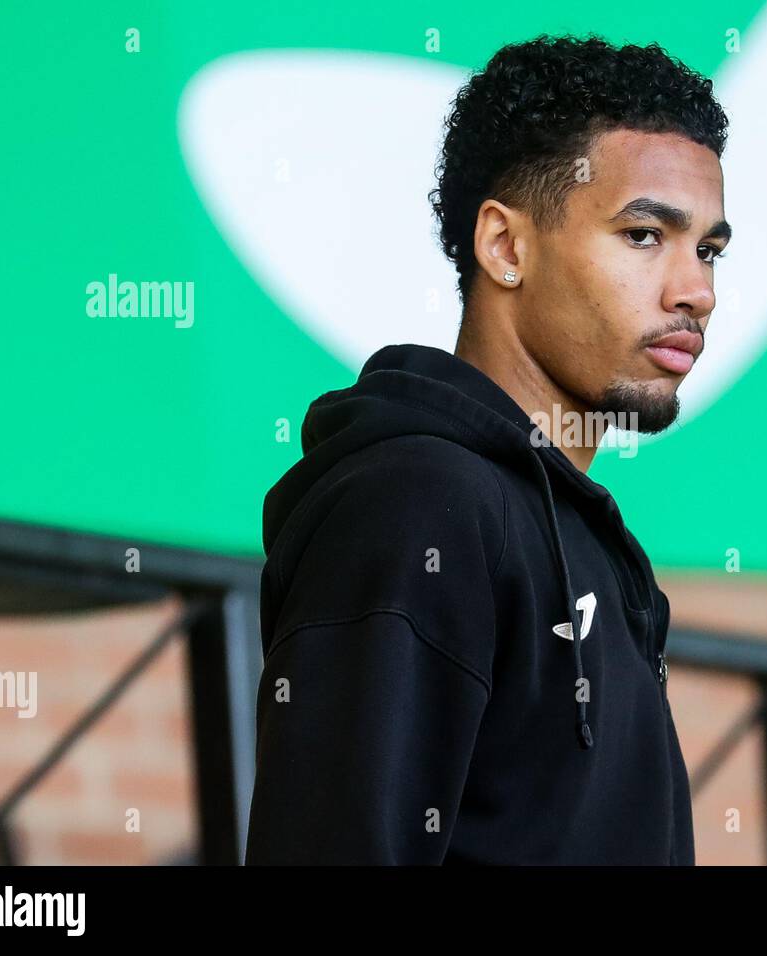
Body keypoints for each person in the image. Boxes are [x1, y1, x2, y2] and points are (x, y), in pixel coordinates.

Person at [245, 32, 731, 864]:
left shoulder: (587, 545)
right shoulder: (417, 502)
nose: (697, 291)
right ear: (506, 247)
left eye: (709, 251)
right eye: (645, 234)